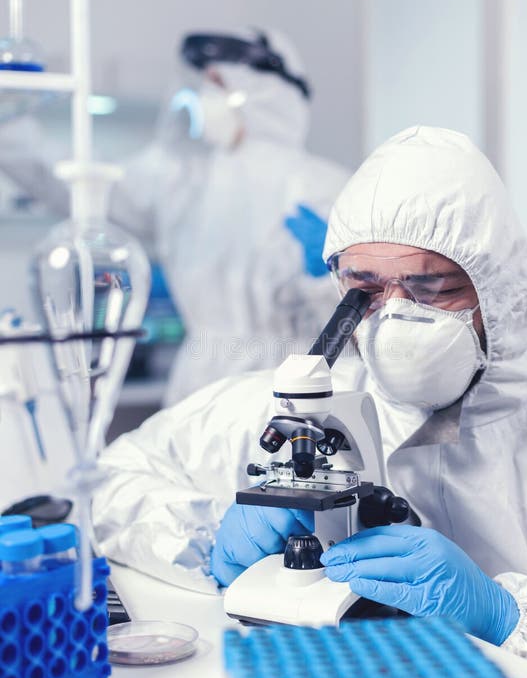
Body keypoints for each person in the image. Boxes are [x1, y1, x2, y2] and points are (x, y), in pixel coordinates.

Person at [93, 125, 527, 678]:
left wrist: (505, 619)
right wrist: (206, 535)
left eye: (432, 290)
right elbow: (109, 481)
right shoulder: (278, 405)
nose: (396, 316)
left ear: (499, 293)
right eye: (365, 286)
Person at [0, 28, 350, 405]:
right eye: (202, 82)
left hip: (291, 377)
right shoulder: (179, 179)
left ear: (266, 89)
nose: (204, 96)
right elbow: (74, 182)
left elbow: (363, 313)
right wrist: (8, 123)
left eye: (218, 82)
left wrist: (330, 281)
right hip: (198, 381)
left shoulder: (325, 187)